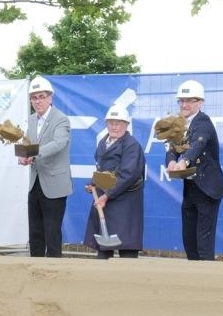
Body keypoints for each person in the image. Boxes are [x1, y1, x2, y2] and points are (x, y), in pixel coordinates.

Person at [166, 80, 223, 260]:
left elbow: (197, 144)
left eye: (190, 100)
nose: (184, 105)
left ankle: (207, 282)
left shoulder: (203, 122)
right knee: (189, 240)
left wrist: (184, 161)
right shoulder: (179, 124)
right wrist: (171, 162)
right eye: (181, 101)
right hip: (191, 188)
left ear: (200, 102)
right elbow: (171, 148)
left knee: (203, 242)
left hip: (208, 190)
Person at [18, 76, 72, 257]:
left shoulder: (61, 119)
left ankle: (54, 274)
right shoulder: (31, 120)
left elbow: (59, 143)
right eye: (34, 97)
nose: (37, 101)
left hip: (55, 185)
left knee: (52, 232)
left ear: (50, 98)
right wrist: (24, 157)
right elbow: (29, 146)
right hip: (35, 183)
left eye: (41, 96)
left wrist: (33, 153)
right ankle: (35, 270)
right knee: (35, 232)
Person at [84, 104, 144, 259]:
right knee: (103, 251)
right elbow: (101, 169)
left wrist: (106, 196)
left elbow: (128, 175)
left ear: (126, 125)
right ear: (106, 124)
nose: (114, 127)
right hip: (106, 201)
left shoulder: (132, 146)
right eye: (111, 122)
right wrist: (94, 184)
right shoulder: (103, 143)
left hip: (125, 203)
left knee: (127, 249)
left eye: (118, 123)